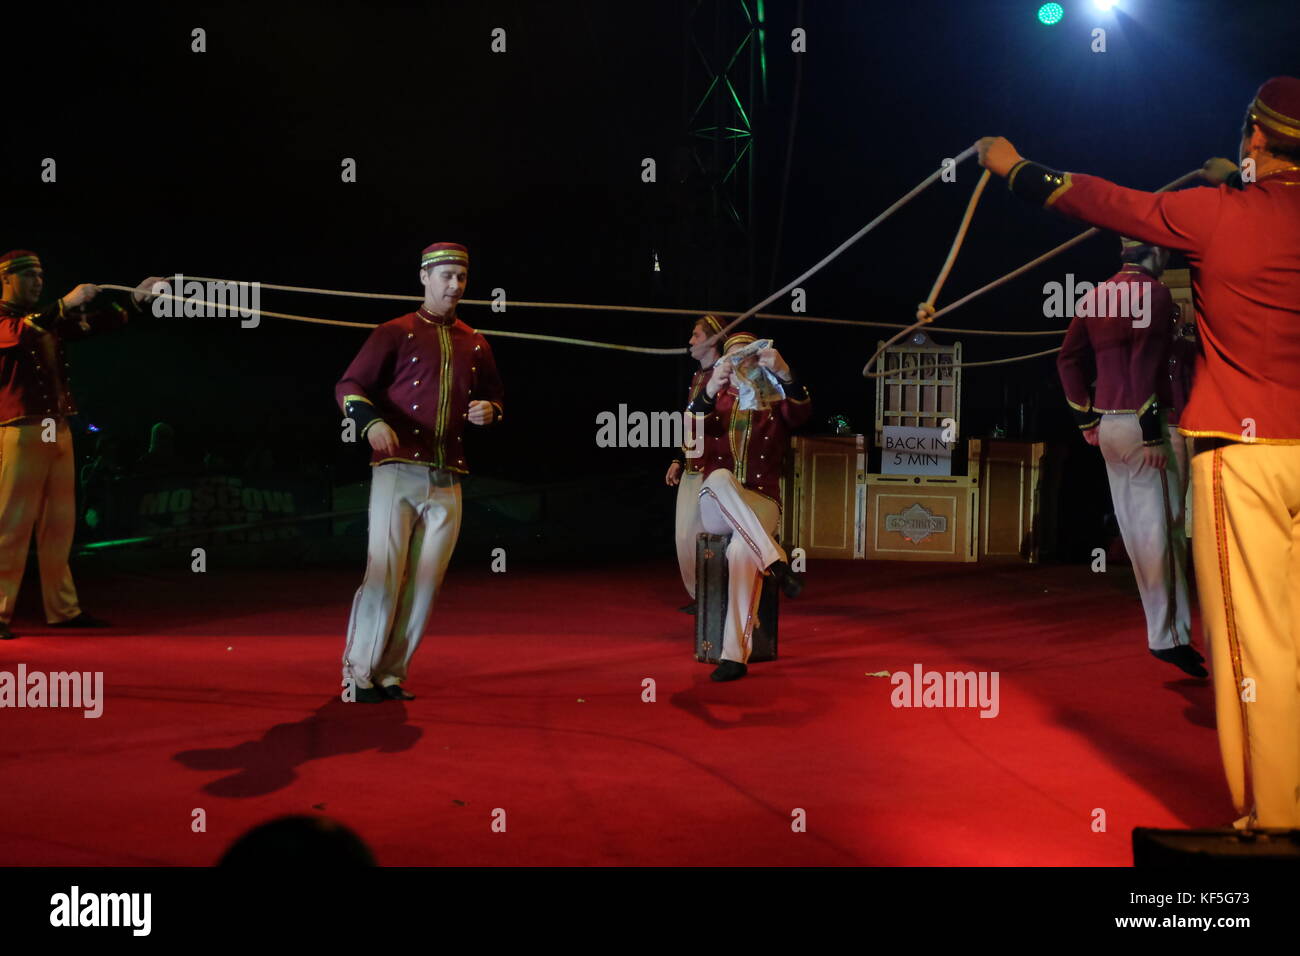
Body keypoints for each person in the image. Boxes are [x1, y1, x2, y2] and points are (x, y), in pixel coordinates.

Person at [976, 75, 1300, 827]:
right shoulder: (1227, 209)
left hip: (1237, 449)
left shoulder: (1209, 216)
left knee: (1255, 643)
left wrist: (1016, 167)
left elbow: (1107, 200)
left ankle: (1277, 820)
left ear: (1253, 136)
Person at [335, 242, 504, 703]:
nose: (454, 285)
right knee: (385, 572)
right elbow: (349, 384)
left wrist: (491, 410)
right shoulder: (395, 331)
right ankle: (359, 673)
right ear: (424, 277)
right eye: (446, 276)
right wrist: (369, 422)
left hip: (449, 474)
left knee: (426, 583)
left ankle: (391, 673)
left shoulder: (475, 341)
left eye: (461, 278)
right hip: (398, 469)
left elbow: (496, 398)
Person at [1056, 239, 1203, 677]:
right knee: (1164, 533)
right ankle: (1168, 637)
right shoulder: (1155, 294)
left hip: (1110, 426)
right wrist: (1153, 431)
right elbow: (1143, 365)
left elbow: (1067, 361)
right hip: (1147, 428)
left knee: (1142, 533)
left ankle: (1167, 633)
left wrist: (1086, 421)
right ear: (1153, 253)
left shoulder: (1096, 294)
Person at [0, 251, 159, 640]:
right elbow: (23, 332)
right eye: (30, 275)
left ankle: (63, 609)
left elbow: (92, 324)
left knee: (59, 523)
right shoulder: (10, 319)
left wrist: (136, 302)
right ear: (6, 279)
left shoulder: (47, 319)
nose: (38, 281)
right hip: (19, 427)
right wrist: (64, 303)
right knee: (11, 524)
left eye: (41, 274)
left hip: (57, 428)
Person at [686, 331, 810, 681]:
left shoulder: (773, 403)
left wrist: (786, 374)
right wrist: (709, 392)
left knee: (742, 551)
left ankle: (735, 657)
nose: (742, 365)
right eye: (734, 359)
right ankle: (775, 560)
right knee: (721, 477)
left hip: (761, 501)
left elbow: (802, 415)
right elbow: (690, 439)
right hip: (716, 502)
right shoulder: (715, 402)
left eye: (749, 358)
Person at [664, 313, 723, 614]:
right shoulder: (697, 378)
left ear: (713, 340)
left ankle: (712, 595)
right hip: (692, 463)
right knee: (685, 536)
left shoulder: (722, 378)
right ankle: (701, 593)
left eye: (696, 336)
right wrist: (678, 458)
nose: (690, 341)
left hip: (712, 467)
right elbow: (690, 426)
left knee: (705, 535)